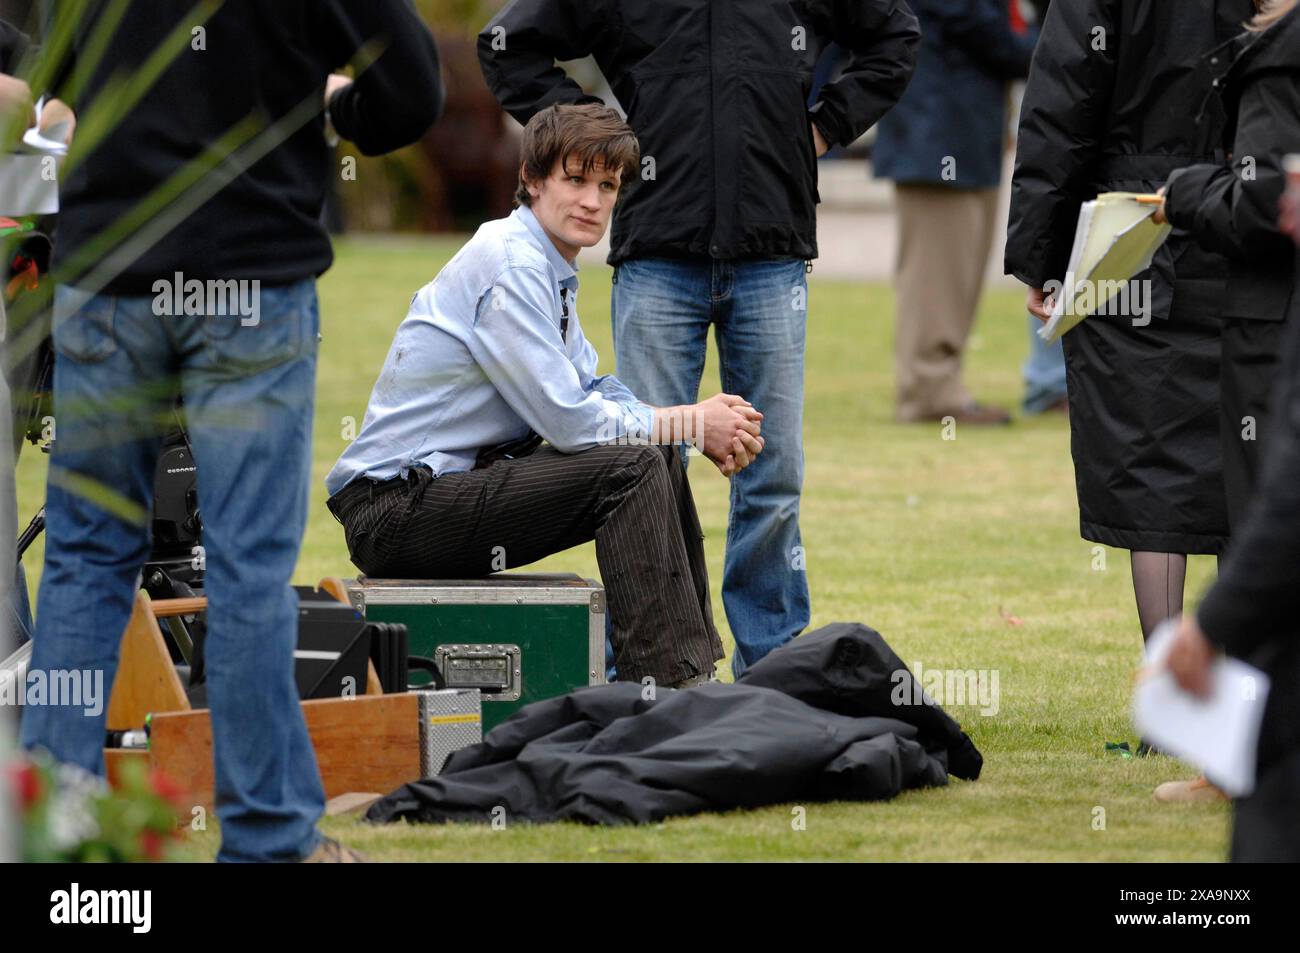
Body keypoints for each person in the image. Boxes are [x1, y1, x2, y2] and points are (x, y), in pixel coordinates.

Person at [20, 0, 444, 863]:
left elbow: (49, 77)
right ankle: (266, 841)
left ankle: (54, 836)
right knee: (250, 570)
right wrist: (334, 111)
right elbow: (413, 92)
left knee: (85, 556)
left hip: (108, 275)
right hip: (249, 279)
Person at [478, 0, 920, 677]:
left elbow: (895, 35)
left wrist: (826, 126)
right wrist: (594, 140)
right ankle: (654, 666)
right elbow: (506, 44)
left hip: (773, 248)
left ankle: (772, 668)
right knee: (645, 470)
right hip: (658, 250)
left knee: (773, 474)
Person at [327, 103, 767, 689]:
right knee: (635, 464)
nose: (593, 200)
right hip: (393, 512)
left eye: (607, 185)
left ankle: (687, 676)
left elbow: (589, 390)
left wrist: (687, 426)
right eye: (575, 179)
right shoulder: (508, 262)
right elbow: (569, 422)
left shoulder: (546, 265)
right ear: (532, 180)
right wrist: (691, 422)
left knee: (651, 451)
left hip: (445, 491)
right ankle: (666, 690)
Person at [1005, 0, 1253, 666]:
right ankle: (1248, 697)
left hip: (1129, 237)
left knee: (1153, 476)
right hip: (1245, 229)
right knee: (1248, 468)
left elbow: (1062, 101)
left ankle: (1177, 695)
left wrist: (1041, 253)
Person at [1157, 0, 1300, 531]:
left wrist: (1191, 192)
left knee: (1270, 524)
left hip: (1277, 323)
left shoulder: (1283, 53)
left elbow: (1265, 206)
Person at [873, 0, 1038, 425]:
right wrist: (1054, 51)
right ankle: (929, 394)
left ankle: (942, 386)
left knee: (956, 275)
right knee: (936, 278)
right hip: (937, 138)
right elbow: (986, 32)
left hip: (958, 137)